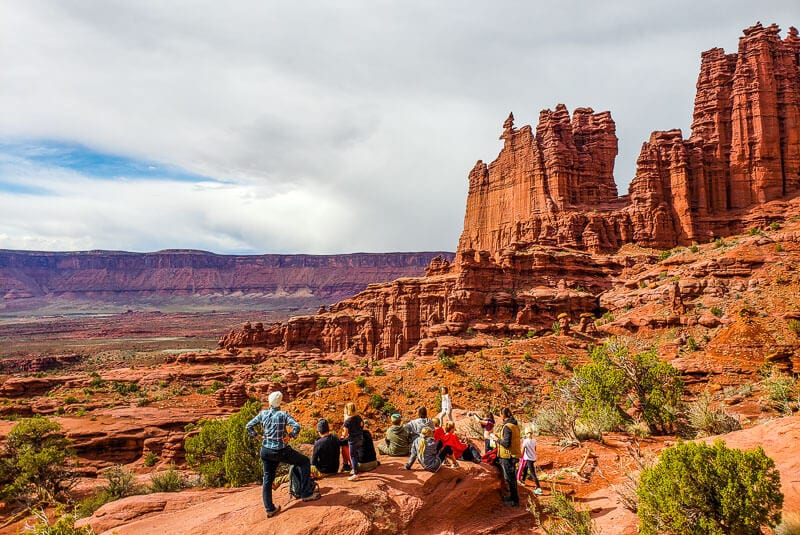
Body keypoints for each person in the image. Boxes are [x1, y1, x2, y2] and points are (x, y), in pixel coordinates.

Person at [245, 391, 320, 518]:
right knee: (304, 462)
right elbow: (296, 426)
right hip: (281, 451)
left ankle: (269, 509)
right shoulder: (283, 414)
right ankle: (306, 494)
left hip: (266, 451)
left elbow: (248, 426)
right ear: (280, 403)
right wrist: (290, 436)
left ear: (269, 402)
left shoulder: (263, 414)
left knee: (267, 479)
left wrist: (257, 436)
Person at [491, 407, 521, 506]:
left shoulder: (507, 426)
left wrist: (497, 439)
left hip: (508, 456)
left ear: (503, 415)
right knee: (512, 478)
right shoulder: (514, 425)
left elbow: (506, 443)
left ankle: (514, 500)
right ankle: (513, 498)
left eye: (500, 414)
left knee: (510, 478)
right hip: (513, 454)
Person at [340, 402, 364, 481]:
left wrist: (343, 435)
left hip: (352, 440)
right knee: (356, 454)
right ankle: (355, 468)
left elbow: (345, 433)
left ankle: (356, 473)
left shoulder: (347, 421)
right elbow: (362, 425)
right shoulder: (359, 417)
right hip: (360, 438)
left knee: (353, 456)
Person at [517, 427, 543, 495]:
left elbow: (522, 451)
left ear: (525, 434)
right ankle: (523, 480)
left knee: (533, 473)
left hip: (529, 459)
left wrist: (517, 456)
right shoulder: (534, 440)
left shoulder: (525, 441)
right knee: (525, 468)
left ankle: (538, 488)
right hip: (533, 458)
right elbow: (535, 449)